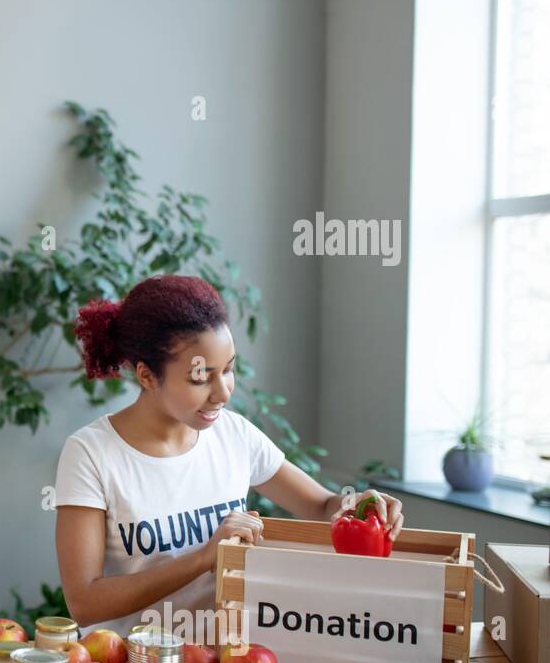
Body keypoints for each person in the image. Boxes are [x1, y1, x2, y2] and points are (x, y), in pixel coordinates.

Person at [53, 274, 404, 639]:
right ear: (146, 375)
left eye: (229, 369)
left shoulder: (234, 435)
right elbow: (85, 602)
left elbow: (321, 506)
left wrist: (357, 504)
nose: (223, 393)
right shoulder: (91, 454)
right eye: (201, 378)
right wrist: (204, 558)